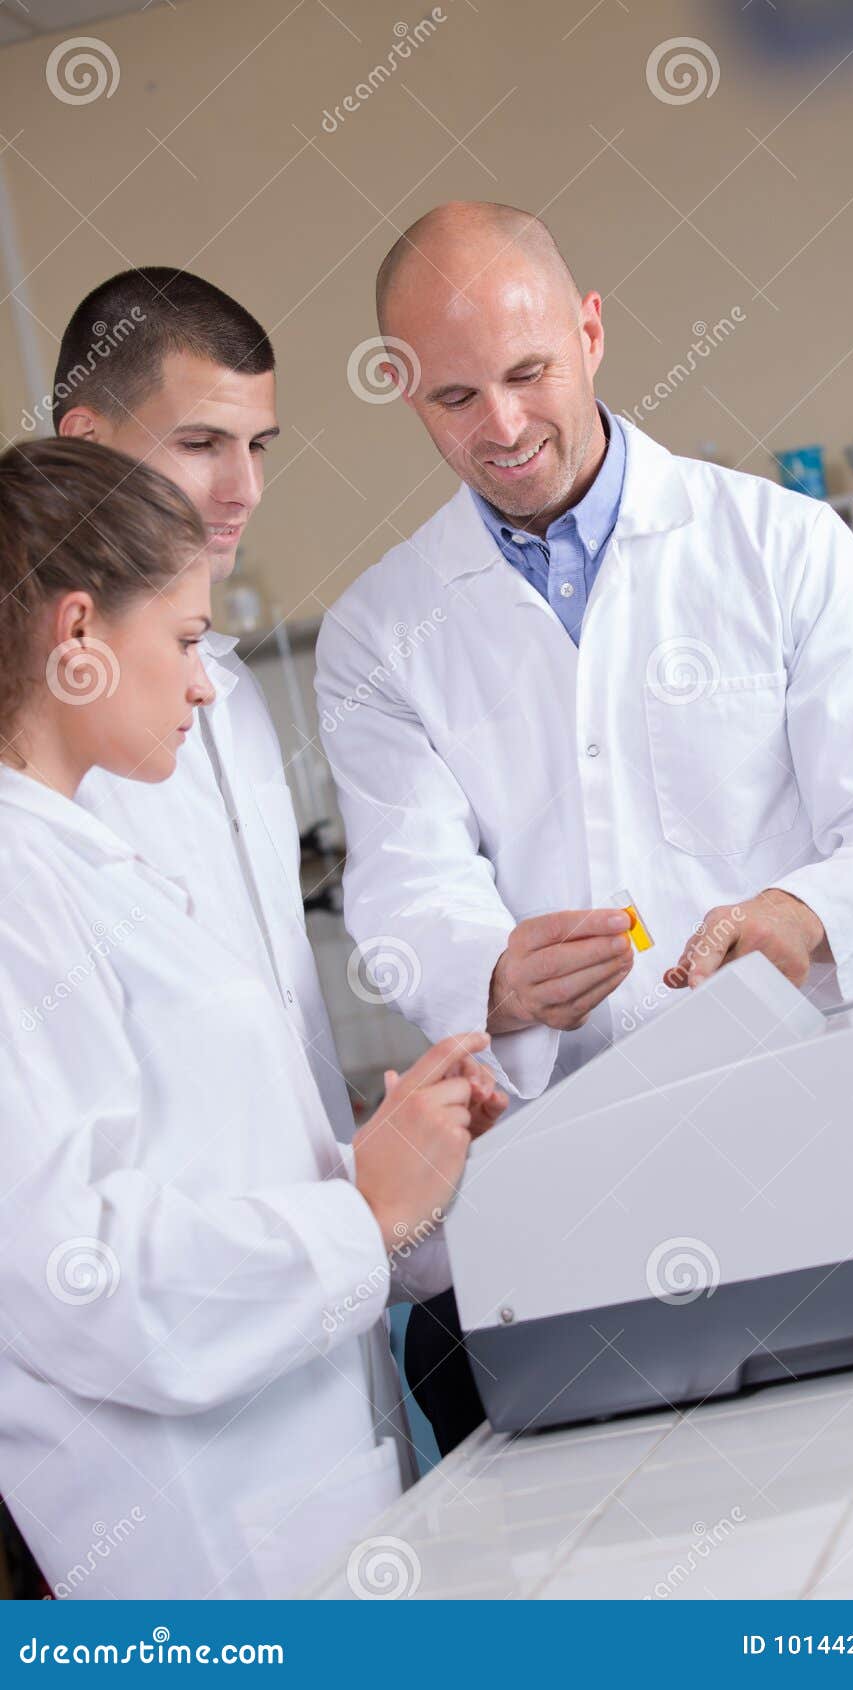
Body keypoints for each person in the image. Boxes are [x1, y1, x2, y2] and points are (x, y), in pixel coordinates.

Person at [315, 199, 853, 1451]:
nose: (504, 426)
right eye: (457, 397)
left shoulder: (779, 546)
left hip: (813, 1155)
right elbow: (405, 888)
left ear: (589, 334)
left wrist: (797, 914)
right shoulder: (377, 632)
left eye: (529, 373)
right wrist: (493, 975)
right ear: (406, 391)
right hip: (570, 1207)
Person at [0, 438, 503, 1599]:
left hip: (300, 1508)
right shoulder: (21, 887)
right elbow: (82, 1278)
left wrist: (395, 1168)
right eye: (182, 640)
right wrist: (362, 1209)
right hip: (204, 1561)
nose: (202, 682)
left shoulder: (95, 866)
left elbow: (199, 1172)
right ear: (76, 637)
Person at [51, 267, 446, 1481]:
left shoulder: (219, 694)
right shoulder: (58, 752)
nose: (242, 490)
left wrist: (383, 1168)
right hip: (177, 1412)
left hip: (317, 1336)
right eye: (201, 442)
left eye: (260, 444)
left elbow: (260, 1036)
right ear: (86, 440)